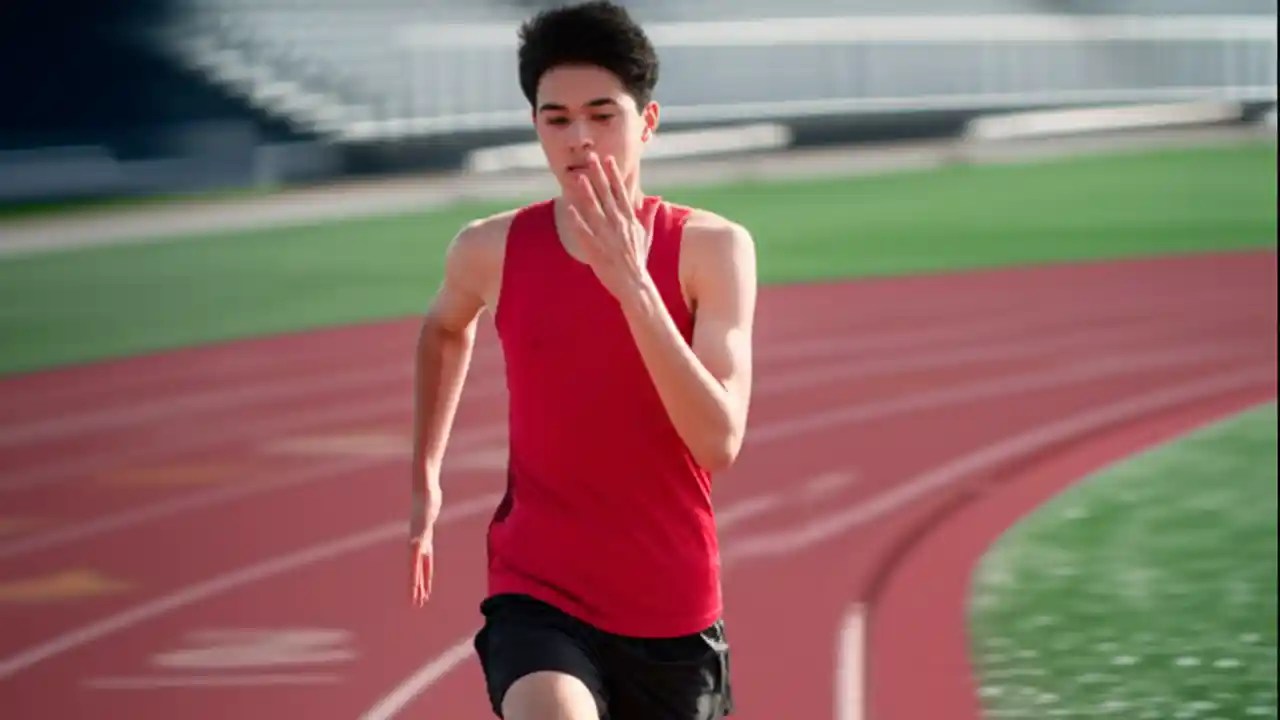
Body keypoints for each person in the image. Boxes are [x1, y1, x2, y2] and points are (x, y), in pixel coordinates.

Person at [407, 2, 757, 718]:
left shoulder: (711, 250)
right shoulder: (490, 250)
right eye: (556, 118)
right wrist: (425, 476)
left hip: (672, 610)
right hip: (538, 592)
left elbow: (718, 441)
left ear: (647, 122)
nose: (580, 140)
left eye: (603, 115)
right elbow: (444, 330)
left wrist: (632, 284)